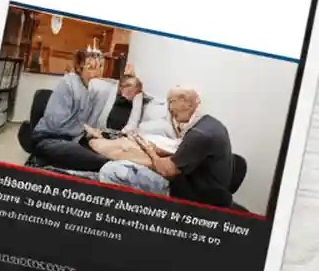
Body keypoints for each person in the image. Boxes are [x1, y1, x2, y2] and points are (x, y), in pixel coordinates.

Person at [98, 86, 235, 206]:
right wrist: (157, 150)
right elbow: (186, 156)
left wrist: (150, 151)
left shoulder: (199, 134)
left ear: (186, 103)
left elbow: (167, 171)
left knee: (112, 169)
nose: (169, 108)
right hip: (205, 189)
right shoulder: (209, 124)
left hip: (189, 197)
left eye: (171, 101)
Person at [17, 49, 111, 172]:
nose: (97, 72)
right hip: (50, 139)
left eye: (100, 67)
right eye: (91, 67)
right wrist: (85, 128)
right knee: (99, 162)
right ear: (79, 68)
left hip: (75, 140)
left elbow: (92, 126)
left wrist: (93, 131)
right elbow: (56, 123)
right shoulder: (68, 83)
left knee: (107, 151)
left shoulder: (96, 90)